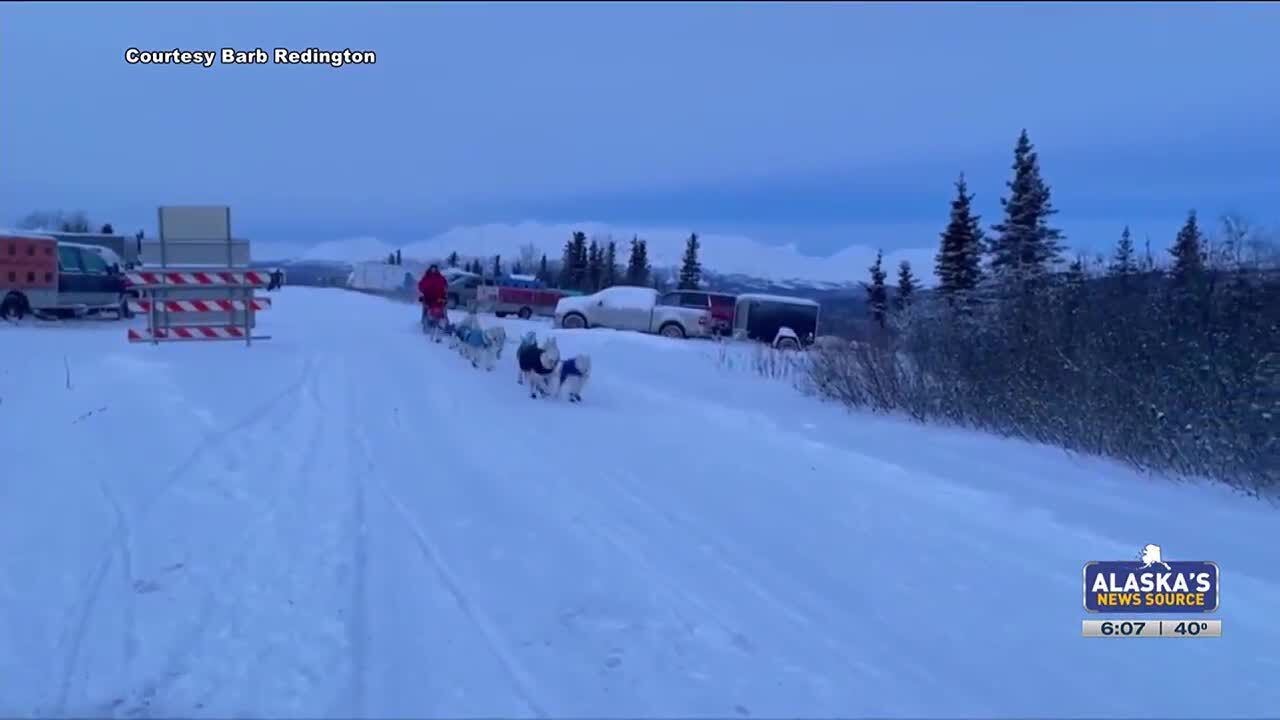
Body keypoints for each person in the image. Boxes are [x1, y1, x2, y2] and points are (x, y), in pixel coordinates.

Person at [417, 264, 449, 340]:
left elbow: (445, 285)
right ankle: (425, 323)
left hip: (439, 298)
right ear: (430, 269)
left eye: (435, 269)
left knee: (443, 311)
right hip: (428, 298)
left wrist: (445, 294)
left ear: (437, 269)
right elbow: (420, 285)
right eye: (432, 269)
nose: (433, 270)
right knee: (425, 309)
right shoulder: (426, 277)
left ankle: (445, 325)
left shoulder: (440, 277)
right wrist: (422, 291)